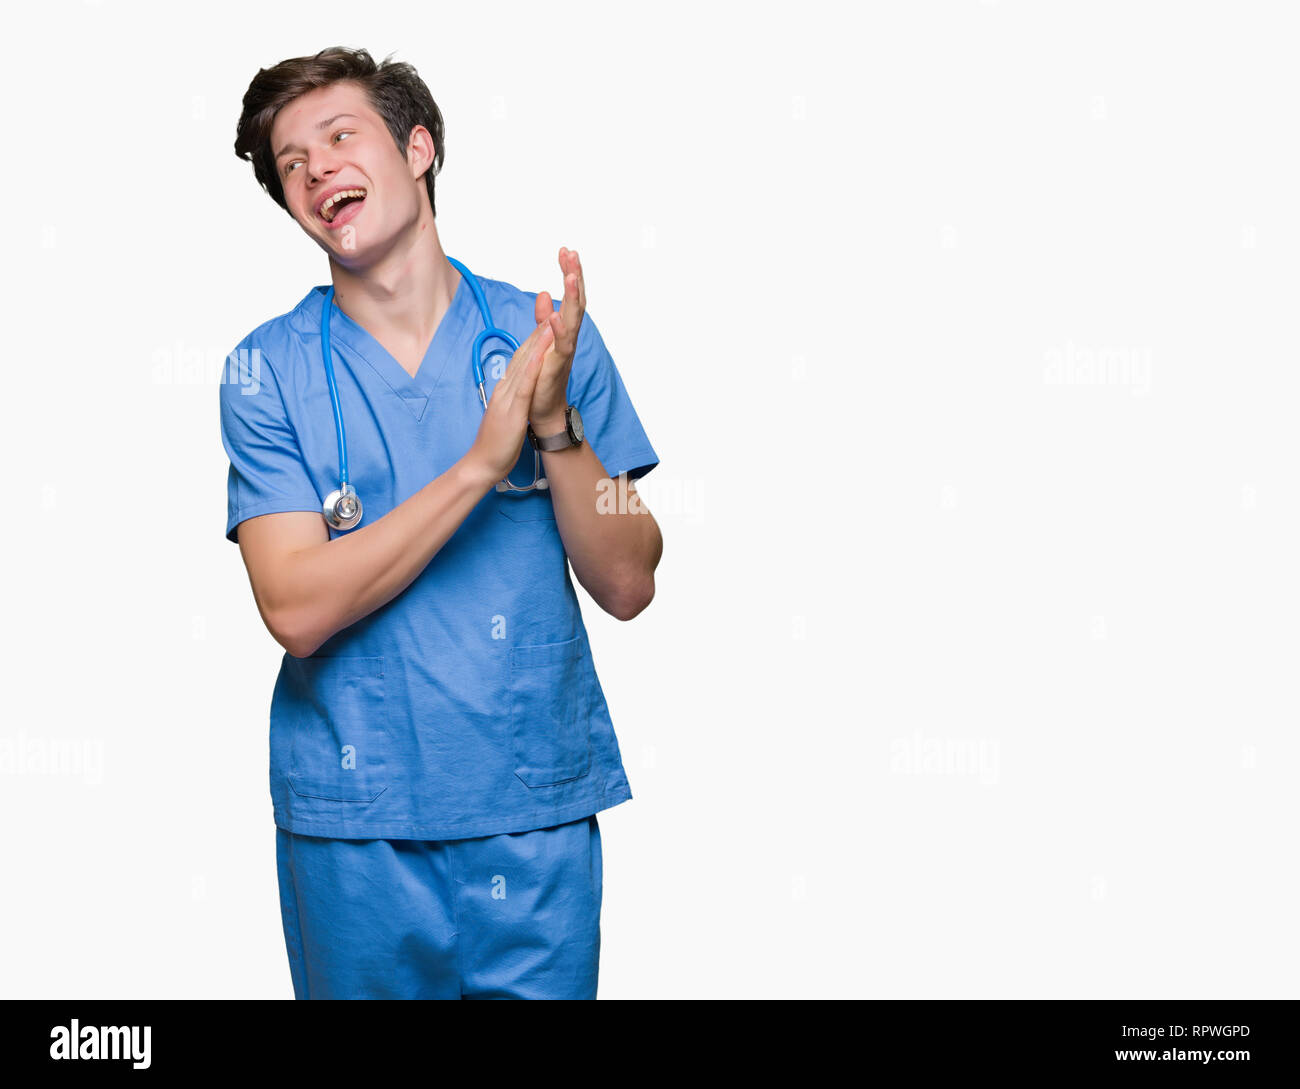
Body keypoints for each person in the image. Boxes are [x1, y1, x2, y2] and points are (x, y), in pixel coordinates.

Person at [219, 46, 662, 999]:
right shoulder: (264, 373)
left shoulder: (550, 337)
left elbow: (634, 571)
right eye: (290, 162)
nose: (315, 169)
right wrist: (479, 465)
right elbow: (295, 606)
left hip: (532, 819)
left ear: (418, 148)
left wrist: (556, 429)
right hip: (356, 833)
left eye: (340, 136)